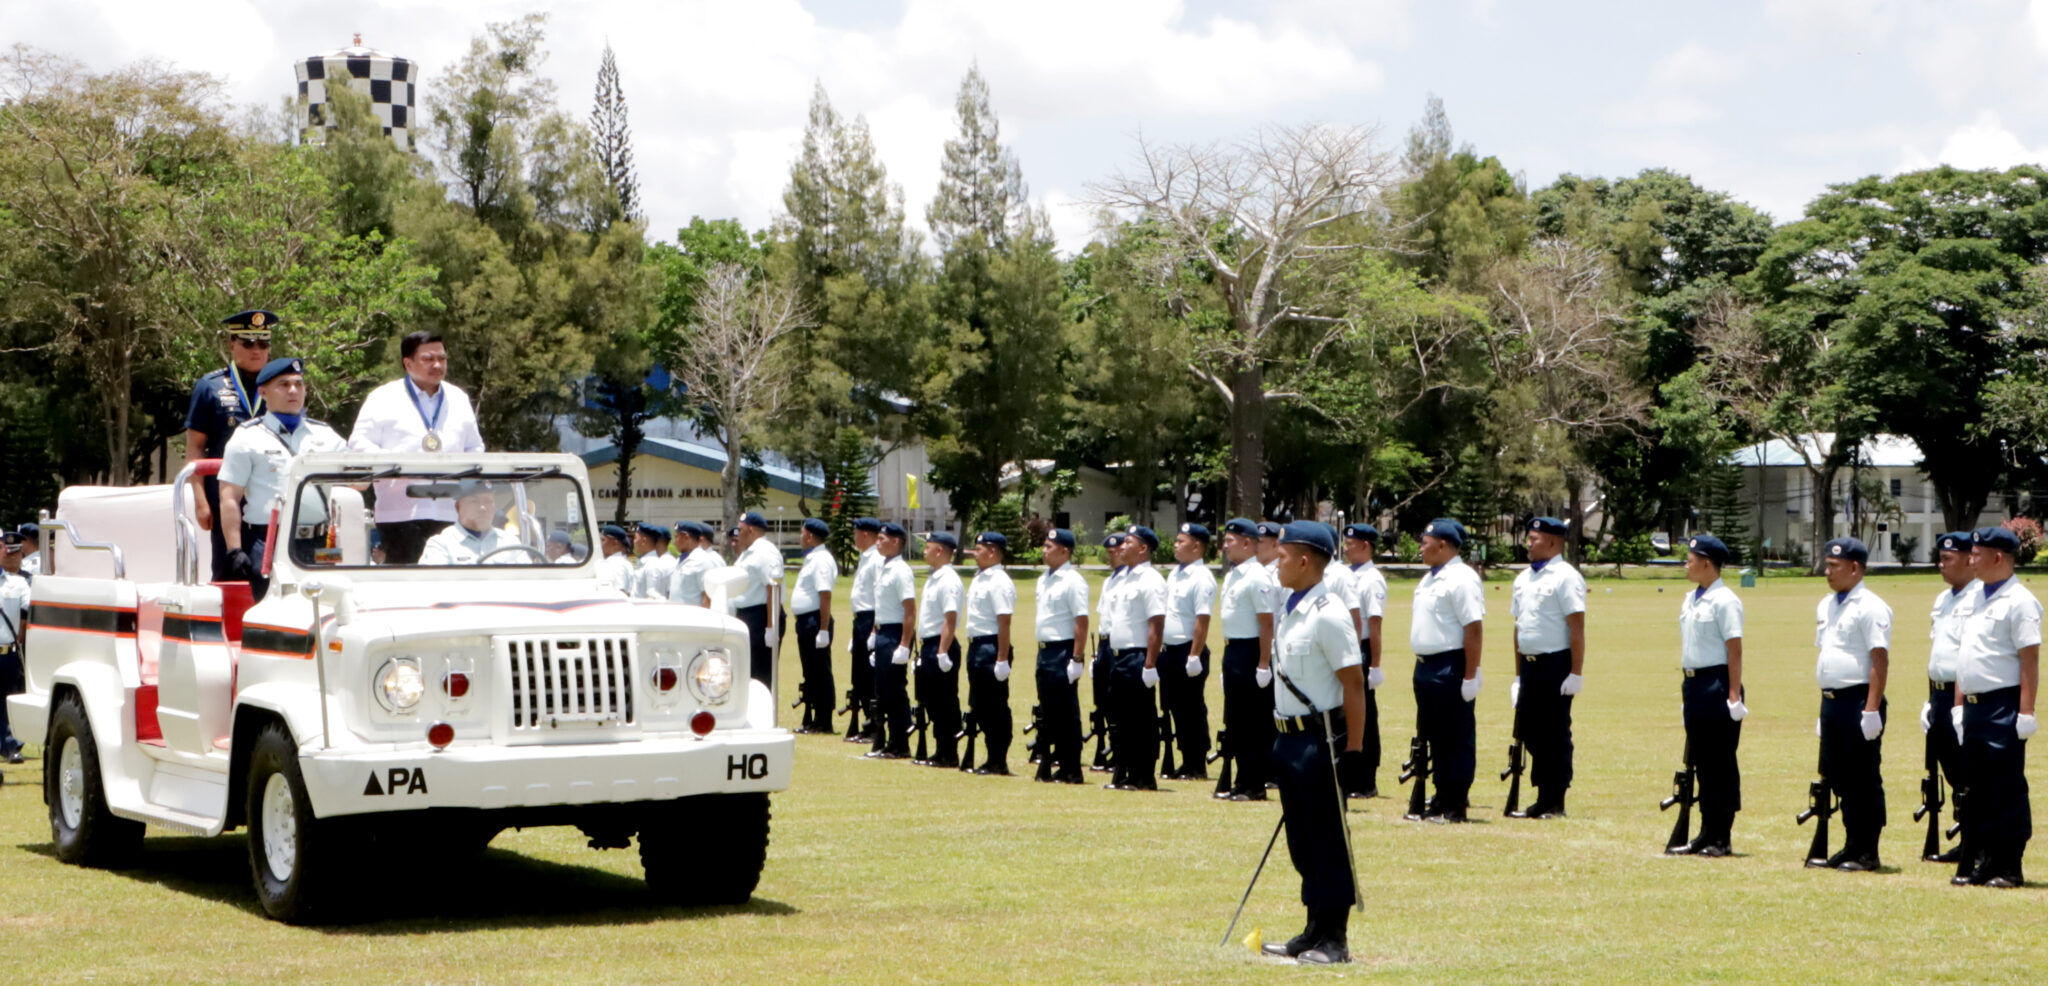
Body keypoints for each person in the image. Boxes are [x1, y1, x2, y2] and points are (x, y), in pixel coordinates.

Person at [1258, 521, 1364, 966]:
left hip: (1320, 742)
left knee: (1327, 841)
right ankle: (1312, 928)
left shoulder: (1328, 612)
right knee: (1302, 842)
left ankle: (1335, 938)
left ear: (1304, 561)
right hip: (1288, 741)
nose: (1275, 563)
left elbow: (1354, 686)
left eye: (1281, 556)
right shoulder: (1292, 607)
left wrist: (1355, 752)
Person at [1949, 526, 2039, 888]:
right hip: (1973, 706)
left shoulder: (2021, 602)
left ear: (1998, 557)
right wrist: (1958, 706)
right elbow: (1964, 657)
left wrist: (2026, 712)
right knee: (1977, 788)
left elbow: (2029, 661)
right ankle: (1983, 860)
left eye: (1976, 553)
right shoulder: (1974, 598)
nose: (1971, 559)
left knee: (2005, 787)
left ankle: (2009, 865)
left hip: (2003, 704)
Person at [348, 331, 485, 564]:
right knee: (407, 584)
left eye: (442, 359)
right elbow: (359, 445)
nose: (437, 365)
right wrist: (399, 463)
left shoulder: (458, 398)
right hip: (400, 514)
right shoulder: (382, 397)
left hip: (450, 511)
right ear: (408, 362)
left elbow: (475, 448)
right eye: (428, 359)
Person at [216, 358, 347, 601]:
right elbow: (229, 497)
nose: (293, 391)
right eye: (284, 384)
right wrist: (234, 549)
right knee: (274, 613)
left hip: (319, 540)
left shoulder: (325, 435)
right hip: (268, 542)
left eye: (298, 384)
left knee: (327, 608)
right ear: (263, 392)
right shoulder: (247, 437)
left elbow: (358, 480)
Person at [1808, 536, 1892, 870]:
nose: (1827, 571)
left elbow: (1879, 660)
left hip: (1859, 700)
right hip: (1832, 700)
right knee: (1839, 776)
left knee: (1862, 777)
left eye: (1834, 566)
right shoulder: (1826, 605)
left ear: (1855, 568)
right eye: (1827, 564)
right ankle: (1850, 844)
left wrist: (1871, 709)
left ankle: (1867, 849)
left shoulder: (1871, 607)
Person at [184, 309, 275, 578]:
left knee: (269, 569)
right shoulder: (209, 387)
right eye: (248, 343)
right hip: (224, 494)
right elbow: (195, 448)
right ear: (231, 345)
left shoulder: (281, 386)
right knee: (229, 568)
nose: (256, 350)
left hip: (268, 492)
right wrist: (200, 501)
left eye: (263, 344)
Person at [1671, 534, 1747, 857]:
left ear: (1706, 563)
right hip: (1694, 684)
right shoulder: (1692, 598)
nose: (1686, 563)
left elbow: (1735, 650)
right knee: (1701, 761)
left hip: (1717, 683)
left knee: (1719, 762)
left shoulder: (1725, 600)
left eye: (1691, 558)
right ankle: (1705, 832)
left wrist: (1733, 694)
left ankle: (1721, 835)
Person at [1507, 517, 1587, 819]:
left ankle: (1554, 798)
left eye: (1535, 538)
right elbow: (1519, 627)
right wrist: (1517, 675)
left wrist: (1576, 672)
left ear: (1553, 542)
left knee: (1554, 732)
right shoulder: (1524, 578)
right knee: (1529, 729)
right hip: (1529, 665)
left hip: (1556, 663)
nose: (1529, 543)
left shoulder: (1566, 576)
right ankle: (1542, 793)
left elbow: (1577, 628)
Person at [1408, 518, 1485, 822]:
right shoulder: (1430, 578)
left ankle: (1456, 801)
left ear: (1442, 545)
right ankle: (1440, 796)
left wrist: (1470, 675)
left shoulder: (1462, 578)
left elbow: (1474, 629)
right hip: (1426, 666)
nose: (1421, 548)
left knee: (1455, 736)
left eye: (1425, 543)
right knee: (1432, 736)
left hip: (1450, 664)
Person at [1922, 531, 1977, 865]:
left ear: (1970, 559)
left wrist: (1957, 706)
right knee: (1951, 770)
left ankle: (1977, 841)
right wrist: (1930, 698)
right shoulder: (1943, 600)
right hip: (1940, 695)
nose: (1941, 565)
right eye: (1940, 559)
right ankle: (1966, 839)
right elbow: (1937, 652)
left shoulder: (1976, 600)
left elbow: (1965, 657)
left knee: (1970, 772)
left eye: (1948, 559)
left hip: (1964, 699)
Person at [1217, 517, 1277, 800]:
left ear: (1247, 543)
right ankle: (1241, 781)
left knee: (1252, 721)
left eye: (1230, 541)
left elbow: (1267, 623)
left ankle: (1254, 784)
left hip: (1252, 651)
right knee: (1236, 720)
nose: (1225, 546)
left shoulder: (1258, 576)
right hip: (1234, 651)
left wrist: (1264, 663)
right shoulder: (1232, 575)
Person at [1105, 526, 1168, 791]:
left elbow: (1156, 624)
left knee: (1141, 718)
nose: (1121, 546)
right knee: (1122, 718)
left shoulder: (1150, 579)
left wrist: (1150, 663)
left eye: (1128, 542)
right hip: (1119, 656)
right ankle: (1126, 770)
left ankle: (1143, 775)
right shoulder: (1124, 579)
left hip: (1138, 656)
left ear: (1143, 548)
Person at [1034, 528, 1090, 783]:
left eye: (1049, 546)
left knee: (1066, 711)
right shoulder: (1043, 579)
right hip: (1044, 650)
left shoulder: (1073, 581)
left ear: (1064, 551)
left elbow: (1081, 621)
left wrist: (1077, 658)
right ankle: (1052, 759)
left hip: (1063, 650)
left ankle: (1072, 766)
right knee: (1049, 711)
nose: (1044, 550)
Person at [1162, 523, 1217, 778]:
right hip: (1170, 650)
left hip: (1188, 651)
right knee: (1174, 707)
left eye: (1181, 541)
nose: (1175, 545)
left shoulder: (1201, 577)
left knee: (1191, 708)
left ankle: (1196, 762)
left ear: (1196, 546)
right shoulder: (1175, 575)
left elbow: (1202, 620)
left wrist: (1194, 655)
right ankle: (1185, 758)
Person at [963, 532, 1019, 775]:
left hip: (991, 646)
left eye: (979, 549)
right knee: (980, 704)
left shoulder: (999, 581)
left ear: (993, 551)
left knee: (995, 706)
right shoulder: (980, 578)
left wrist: (1002, 658)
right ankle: (990, 756)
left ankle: (998, 759)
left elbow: (1004, 623)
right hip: (976, 645)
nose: (975, 553)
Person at [1339, 524, 1387, 799]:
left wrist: (1375, 665)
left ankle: (1366, 778)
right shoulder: (1348, 575)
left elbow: (1376, 625)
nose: (1346, 547)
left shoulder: (1372, 579)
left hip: (1364, 648)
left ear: (1366, 546)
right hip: (1348, 647)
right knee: (1348, 714)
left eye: (1351, 543)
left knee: (1365, 715)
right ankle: (1352, 775)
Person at [863, 523, 919, 759]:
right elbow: (881, 606)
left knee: (895, 689)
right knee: (882, 689)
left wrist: (905, 645)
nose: (877, 542)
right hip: (884, 631)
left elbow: (909, 610)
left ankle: (900, 742)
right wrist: (875, 633)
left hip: (896, 632)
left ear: (896, 542)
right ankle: (884, 739)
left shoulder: (901, 570)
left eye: (882, 539)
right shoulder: (882, 568)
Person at [914, 531, 966, 767]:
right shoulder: (934, 577)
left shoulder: (948, 580)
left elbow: (950, 619)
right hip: (930, 645)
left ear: (939, 551)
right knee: (930, 699)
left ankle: (949, 751)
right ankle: (940, 748)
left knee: (944, 700)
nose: (924, 551)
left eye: (928, 547)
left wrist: (943, 651)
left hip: (941, 645)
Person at [789, 517, 839, 735]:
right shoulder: (812, 558)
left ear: (809, 535)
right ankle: (813, 715)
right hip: (806, 620)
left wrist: (823, 629)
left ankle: (824, 719)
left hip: (815, 620)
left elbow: (825, 595)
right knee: (810, 670)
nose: (800, 537)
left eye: (802, 533)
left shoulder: (821, 560)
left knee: (820, 671)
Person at [1088, 532, 1129, 773]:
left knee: (1117, 700)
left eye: (1116, 551)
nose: (1112, 556)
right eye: (1109, 553)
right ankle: (1109, 748)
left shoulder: (1128, 579)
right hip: (1104, 644)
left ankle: (1120, 752)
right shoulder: (1109, 580)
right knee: (1102, 700)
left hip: (1118, 644)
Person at [732, 512, 785, 687]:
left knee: (760, 673)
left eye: (740, 530)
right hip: (747, 615)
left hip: (760, 616)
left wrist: (771, 626)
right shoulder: (748, 552)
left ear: (751, 529)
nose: (737, 534)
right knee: (746, 670)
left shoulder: (765, 552)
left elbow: (773, 589)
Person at [844, 518, 883, 744]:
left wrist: (874, 630)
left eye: (857, 533)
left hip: (870, 618)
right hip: (861, 619)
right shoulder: (866, 557)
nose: (854, 537)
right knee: (859, 675)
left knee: (868, 676)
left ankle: (872, 723)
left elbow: (878, 596)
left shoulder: (875, 559)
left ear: (866, 535)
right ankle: (865, 721)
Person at [419, 482, 522, 564]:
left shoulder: (511, 542)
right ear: (458, 507)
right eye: (474, 501)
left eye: (488, 501)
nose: (483, 508)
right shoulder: (441, 544)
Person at [0, 533, 30, 763]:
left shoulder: (17, 583)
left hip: (6, 653)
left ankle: (11, 747)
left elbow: (30, 609)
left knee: (9, 700)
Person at [669, 522, 720, 608]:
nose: (674, 542)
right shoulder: (680, 560)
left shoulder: (702, 561)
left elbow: (707, 597)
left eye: (676, 537)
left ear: (686, 537)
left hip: (693, 618)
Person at [631, 522, 677, 600]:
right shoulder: (645, 562)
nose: (634, 541)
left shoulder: (652, 565)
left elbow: (653, 597)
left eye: (635, 538)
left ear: (643, 541)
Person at [597, 524, 635, 591]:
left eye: (603, 540)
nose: (601, 544)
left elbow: (620, 592)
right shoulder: (620, 562)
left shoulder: (617, 564)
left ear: (615, 542)